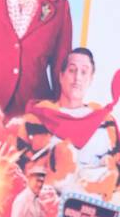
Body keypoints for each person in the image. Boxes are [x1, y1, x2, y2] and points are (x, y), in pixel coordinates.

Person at [12, 48, 120, 201]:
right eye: (72, 70)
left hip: (94, 215)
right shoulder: (34, 120)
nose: (77, 78)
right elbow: (18, 170)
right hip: (46, 211)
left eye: (84, 72)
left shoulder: (106, 122)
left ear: (91, 79)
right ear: (61, 76)